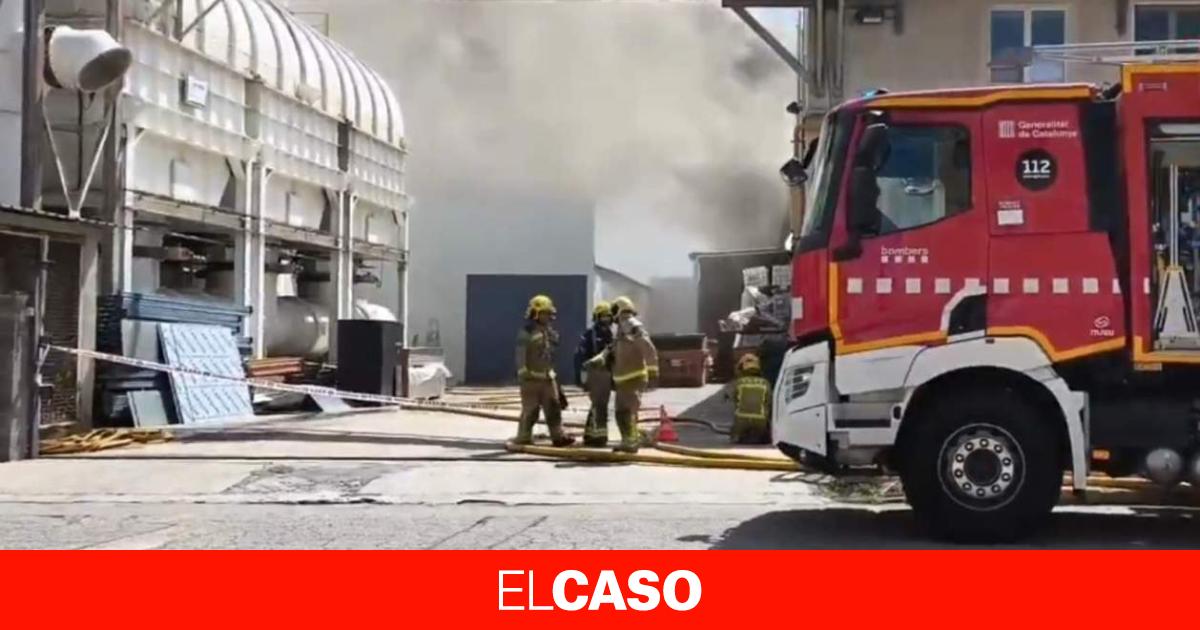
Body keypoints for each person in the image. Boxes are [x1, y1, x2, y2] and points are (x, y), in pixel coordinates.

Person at [585, 296, 657, 453]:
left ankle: (630, 442)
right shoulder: (623, 327)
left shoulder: (630, 324)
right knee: (624, 411)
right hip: (625, 378)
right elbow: (613, 347)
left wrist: (652, 371)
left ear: (618, 310)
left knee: (624, 412)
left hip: (631, 376)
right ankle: (631, 439)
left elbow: (647, 346)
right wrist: (600, 358)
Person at [511, 294, 575, 447]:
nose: (547, 316)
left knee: (554, 409)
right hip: (531, 379)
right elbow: (520, 353)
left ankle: (558, 437)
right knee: (530, 411)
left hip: (548, 379)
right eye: (544, 313)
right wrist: (522, 371)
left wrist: (557, 386)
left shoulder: (550, 332)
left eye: (548, 313)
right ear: (535, 313)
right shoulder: (526, 332)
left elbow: (550, 357)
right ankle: (524, 436)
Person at [575, 301, 615, 447]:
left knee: (600, 405)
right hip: (595, 372)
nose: (606, 320)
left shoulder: (610, 334)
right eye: (603, 316)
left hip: (606, 373)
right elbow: (580, 356)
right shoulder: (590, 334)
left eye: (608, 317)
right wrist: (581, 378)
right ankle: (598, 438)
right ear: (597, 317)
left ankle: (592, 435)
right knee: (598, 404)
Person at [730, 353, 772, 445]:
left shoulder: (739, 382)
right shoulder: (765, 383)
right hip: (760, 421)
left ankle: (738, 436)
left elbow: (735, 399)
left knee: (734, 436)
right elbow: (769, 401)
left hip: (741, 420)